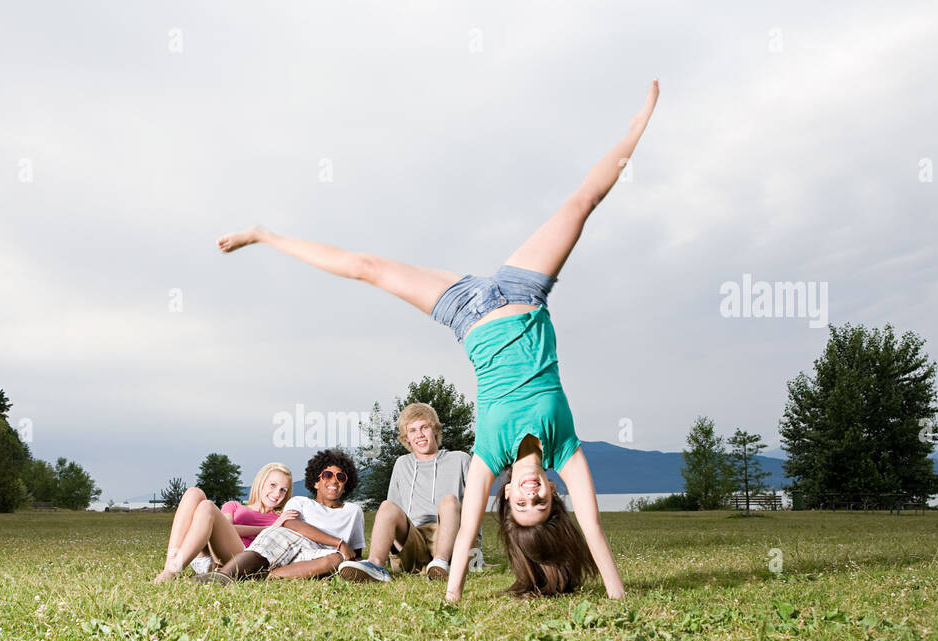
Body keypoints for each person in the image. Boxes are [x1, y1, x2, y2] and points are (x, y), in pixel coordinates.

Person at [217, 80, 659, 601]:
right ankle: (632, 130)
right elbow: (595, 533)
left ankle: (265, 234)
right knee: (583, 203)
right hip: (525, 289)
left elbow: (465, 529)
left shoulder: (489, 457)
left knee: (368, 268)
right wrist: (618, 598)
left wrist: (451, 598)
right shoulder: (566, 450)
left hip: (467, 311)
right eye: (540, 501)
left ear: (508, 496)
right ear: (555, 496)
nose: (531, 492)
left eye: (522, 503)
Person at [337, 401, 470, 583]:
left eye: (425, 427)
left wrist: (476, 551)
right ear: (406, 437)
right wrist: (396, 551)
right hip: (414, 540)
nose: (419, 435)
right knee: (387, 506)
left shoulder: (460, 459)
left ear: (436, 430)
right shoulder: (402, 464)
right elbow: (393, 514)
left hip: (448, 537)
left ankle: (441, 562)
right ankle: (376, 566)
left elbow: (474, 506)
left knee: (449, 501)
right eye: (412, 430)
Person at [197, 449, 365, 583]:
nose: (334, 481)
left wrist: (352, 558)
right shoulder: (301, 502)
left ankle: (264, 577)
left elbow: (354, 552)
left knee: (337, 559)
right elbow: (291, 524)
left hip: (319, 555)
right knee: (272, 540)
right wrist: (338, 542)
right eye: (328, 475)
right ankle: (222, 576)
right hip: (292, 542)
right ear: (316, 481)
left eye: (340, 477)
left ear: (345, 485)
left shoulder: (353, 511)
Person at [153, 462, 297, 582]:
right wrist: (269, 528)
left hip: (239, 560)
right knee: (194, 492)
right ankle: (170, 566)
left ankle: (172, 570)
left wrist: (277, 525)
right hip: (207, 554)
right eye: (272, 485)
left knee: (207, 506)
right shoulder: (234, 506)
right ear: (261, 483)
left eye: (283, 490)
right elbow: (228, 528)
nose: (277, 493)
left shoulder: (281, 517)